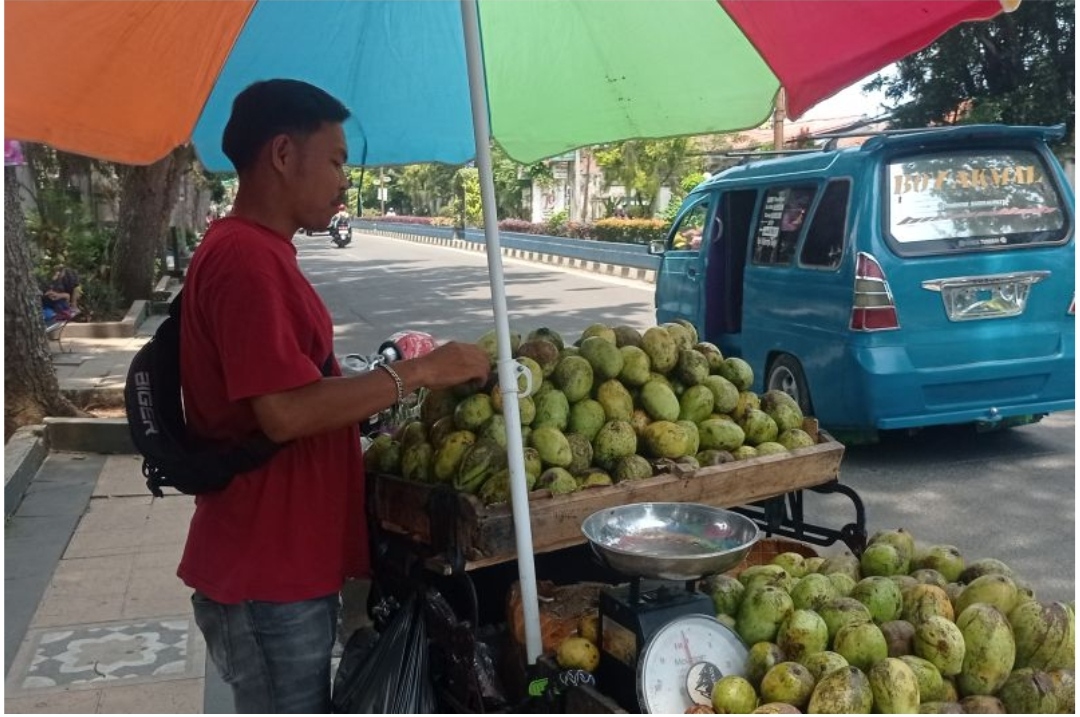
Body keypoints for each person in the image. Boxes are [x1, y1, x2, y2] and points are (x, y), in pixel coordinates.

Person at [178, 79, 491, 713]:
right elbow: (286, 411)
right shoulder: (245, 260)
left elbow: (297, 385)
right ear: (284, 155)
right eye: (338, 160)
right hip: (267, 567)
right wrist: (421, 372)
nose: (345, 180)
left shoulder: (262, 252)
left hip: (286, 562)